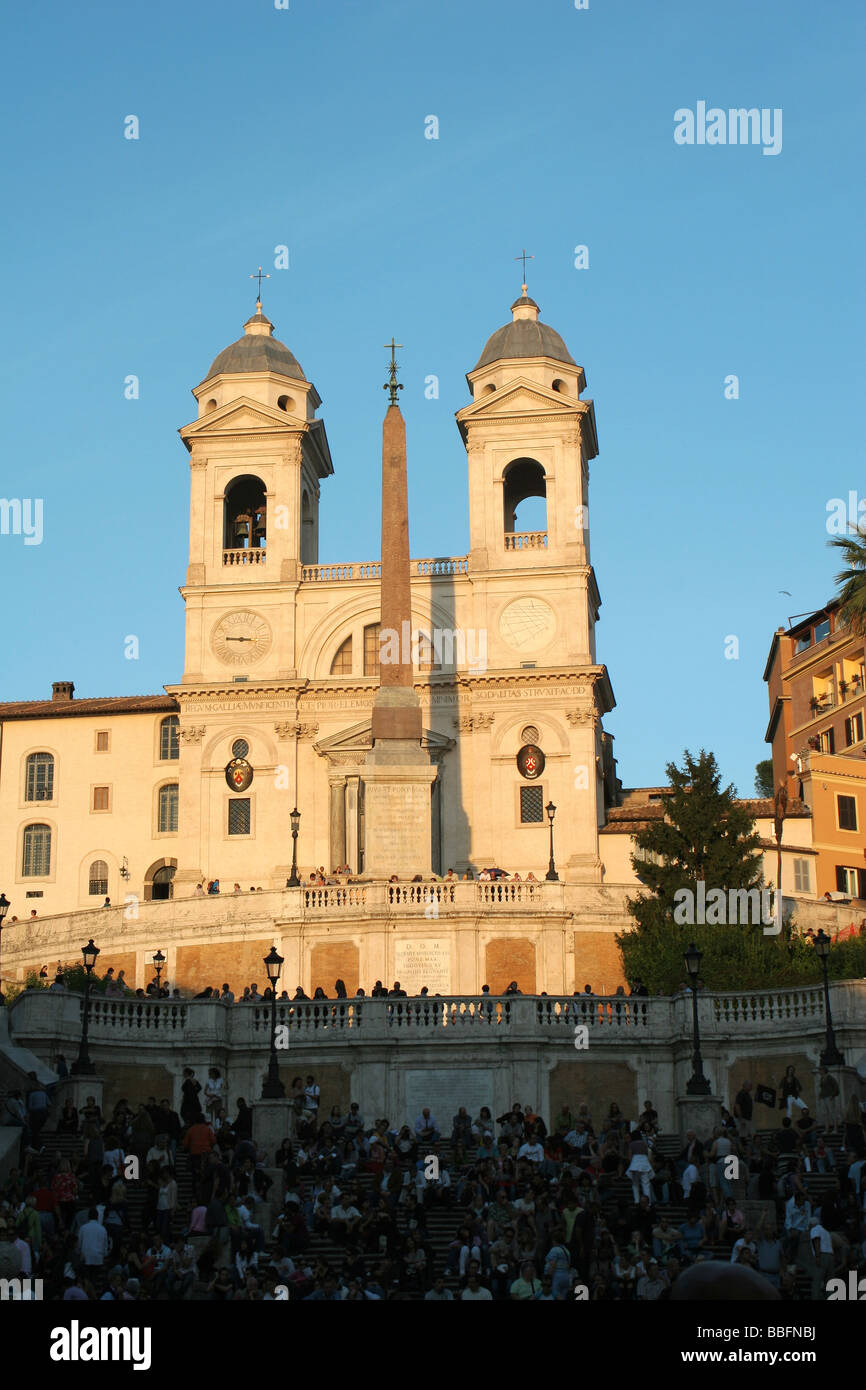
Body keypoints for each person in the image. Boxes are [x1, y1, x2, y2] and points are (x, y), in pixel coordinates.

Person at [816, 1066, 840, 1133]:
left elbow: (836, 1086)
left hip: (829, 1096)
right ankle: (826, 1129)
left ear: (824, 1070)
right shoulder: (822, 1078)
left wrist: (833, 1095)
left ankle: (835, 1129)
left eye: (820, 1070)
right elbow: (822, 1088)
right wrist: (820, 1095)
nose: (819, 1071)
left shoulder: (830, 1078)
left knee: (832, 1112)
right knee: (825, 1113)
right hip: (823, 1097)